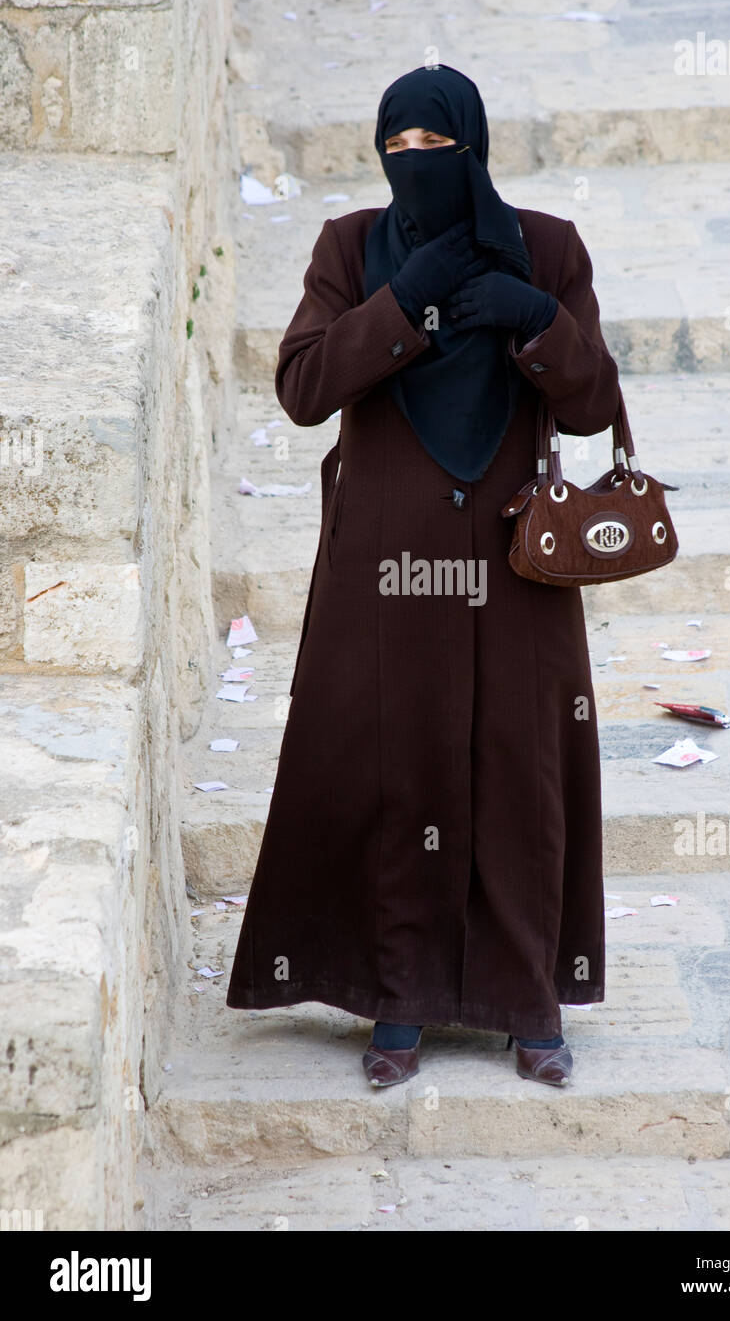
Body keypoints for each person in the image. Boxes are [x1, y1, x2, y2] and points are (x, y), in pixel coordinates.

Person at [226, 63, 621, 1090]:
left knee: (518, 769)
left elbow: (589, 406)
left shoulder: (546, 249)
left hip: (515, 563)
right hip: (384, 564)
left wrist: (531, 316)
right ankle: (394, 1003)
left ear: (474, 145)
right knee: (392, 773)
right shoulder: (351, 249)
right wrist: (404, 302)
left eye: (432, 147)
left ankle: (526, 1002)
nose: (414, 166)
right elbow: (304, 386)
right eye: (394, 148)